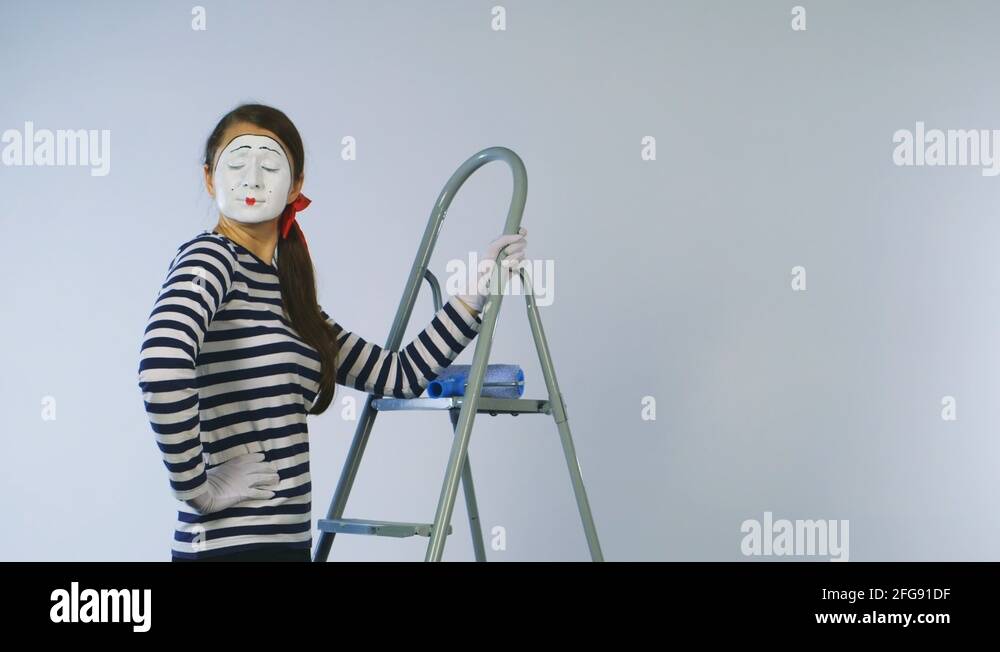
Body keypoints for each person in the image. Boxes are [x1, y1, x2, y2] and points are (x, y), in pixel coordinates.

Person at [137, 103, 527, 561]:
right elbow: (161, 364)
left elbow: (397, 375)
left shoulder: (288, 296)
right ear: (210, 178)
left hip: (284, 549)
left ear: (295, 186)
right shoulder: (211, 257)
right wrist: (196, 489)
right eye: (236, 163)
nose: (253, 178)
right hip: (227, 551)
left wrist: (473, 294)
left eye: (270, 165)